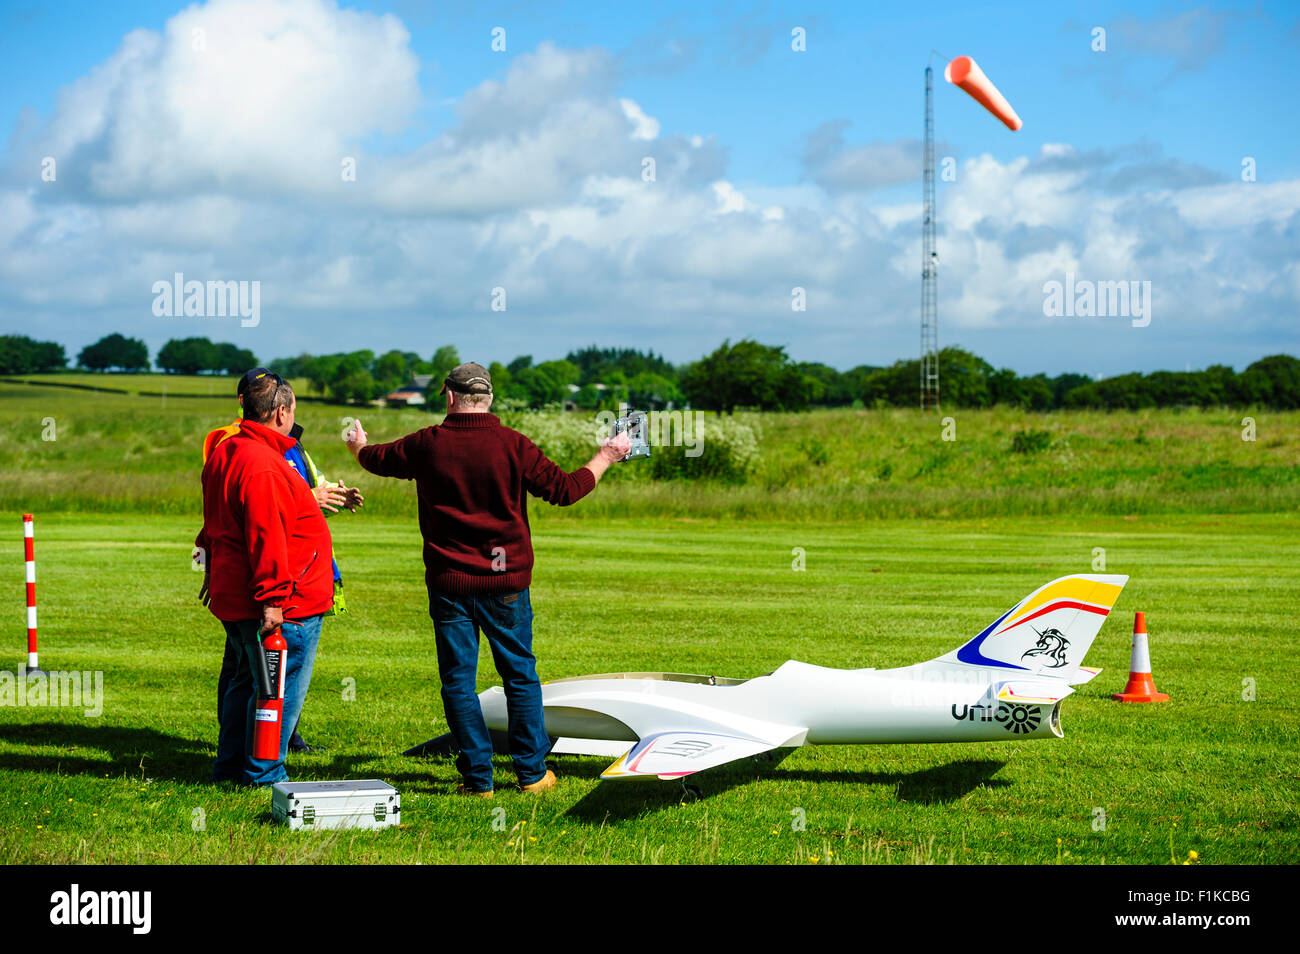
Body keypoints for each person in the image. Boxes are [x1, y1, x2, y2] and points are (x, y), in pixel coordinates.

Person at [345, 362, 630, 796]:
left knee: (458, 682)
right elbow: (567, 490)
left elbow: (376, 460)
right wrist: (607, 455)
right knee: (520, 675)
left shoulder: (428, 444)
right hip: (507, 583)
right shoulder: (512, 444)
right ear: (489, 399)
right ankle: (532, 775)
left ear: (448, 396)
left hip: (450, 583)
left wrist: (357, 446)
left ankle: (478, 780)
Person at [204, 368, 363, 752]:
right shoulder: (260, 460)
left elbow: (223, 518)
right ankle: (264, 766)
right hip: (282, 596)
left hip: (245, 588)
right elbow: (265, 531)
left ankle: (233, 762)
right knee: (275, 687)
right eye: (293, 409)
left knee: (247, 679)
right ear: (281, 412)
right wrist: (274, 599)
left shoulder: (235, 449)